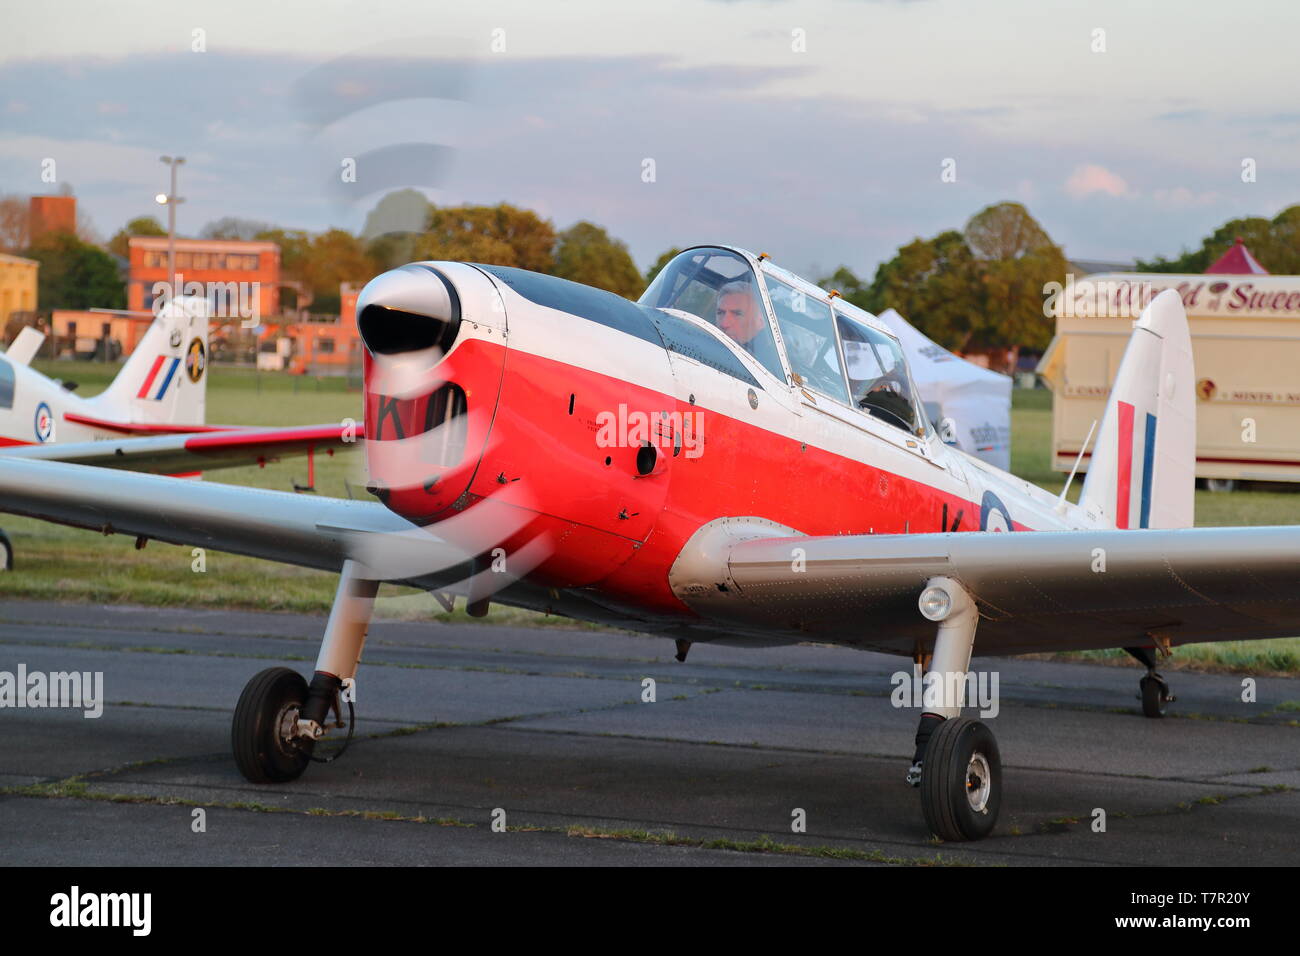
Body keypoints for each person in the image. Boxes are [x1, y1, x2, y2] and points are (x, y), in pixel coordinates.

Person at [713, 281, 767, 354]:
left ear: (760, 322)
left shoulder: (767, 362)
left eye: (737, 314)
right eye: (720, 313)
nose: (724, 324)